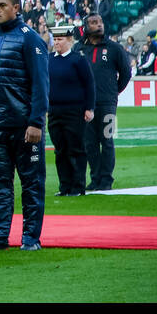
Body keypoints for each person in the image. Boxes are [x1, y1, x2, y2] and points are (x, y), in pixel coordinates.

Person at [0, 0, 50, 251]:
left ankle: (30, 237)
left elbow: (41, 84)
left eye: (1, 5)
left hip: (24, 126)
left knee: (31, 183)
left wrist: (36, 122)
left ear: (16, 8)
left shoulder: (30, 39)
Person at [77, 13, 132, 191]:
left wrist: (113, 92)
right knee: (89, 143)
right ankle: (95, 179)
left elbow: (126, 73)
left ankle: (106, 179)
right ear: (85, 27)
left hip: (108, 104)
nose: (99, 25)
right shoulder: (79, 49)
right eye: (93, 23)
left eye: (100, 22)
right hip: (86, 106)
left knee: (107, 140)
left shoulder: (115, 48)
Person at [47, 25, 95, 198]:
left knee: (75, 149)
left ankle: (78, 186)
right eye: (56, 39)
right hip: (54, 111)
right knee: (60, 150)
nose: (57, 43)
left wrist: (89, 108)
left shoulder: (78, 60)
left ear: (69, 40)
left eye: (60, 39)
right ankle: (64, 186)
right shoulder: (49, 58)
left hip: (74, 111)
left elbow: (89, 84)